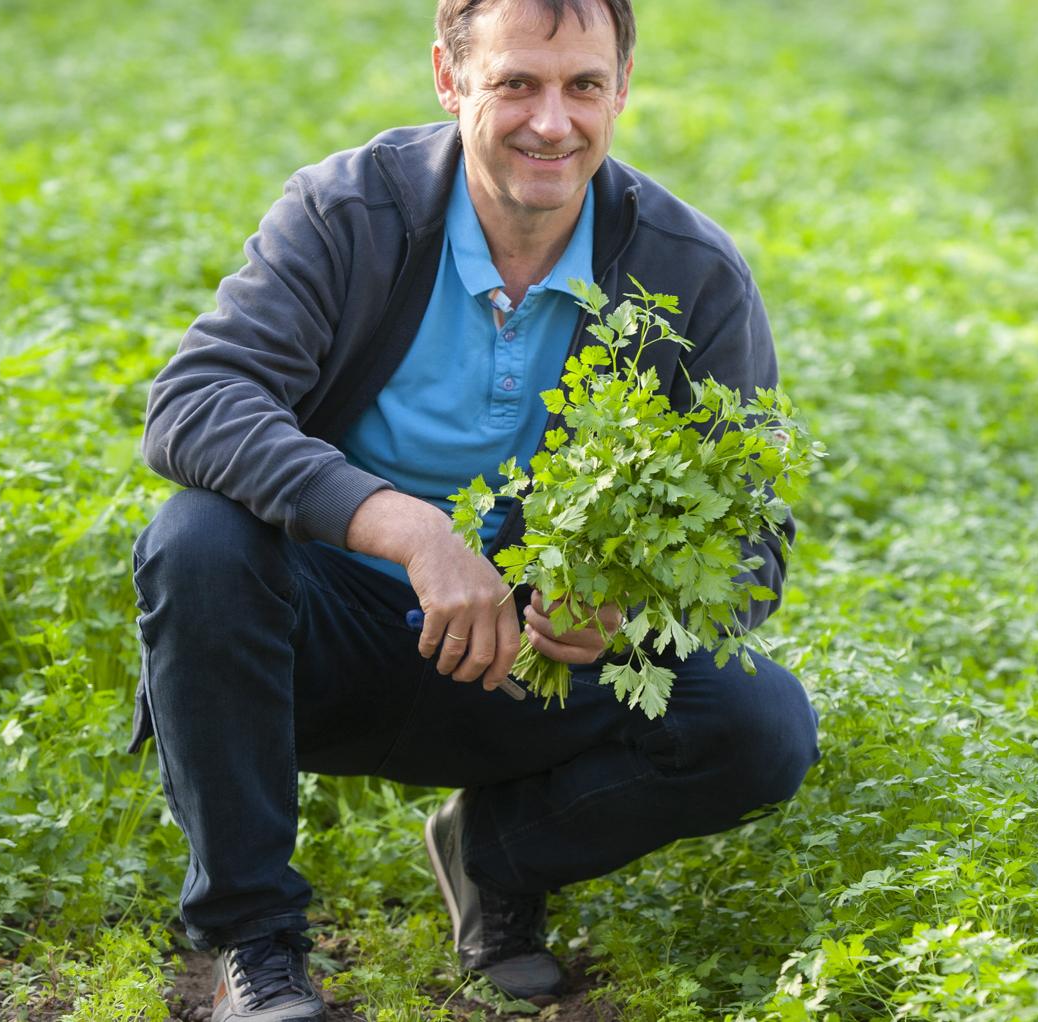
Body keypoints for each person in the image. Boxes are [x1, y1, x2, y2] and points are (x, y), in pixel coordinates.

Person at [129, 1, 820, 1018]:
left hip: (531, 674)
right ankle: (256, 940)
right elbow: (195, 401)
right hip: (322, 642)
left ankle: (496, 854)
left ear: (621, 88)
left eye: (583, 85)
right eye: (516, 83)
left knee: (759, 721)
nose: (553, 122)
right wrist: (409, 529)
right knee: (197, 540)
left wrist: (619, 607)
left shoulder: (689, 273)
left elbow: (754, 541)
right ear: (452, 82)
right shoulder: (350, 213)